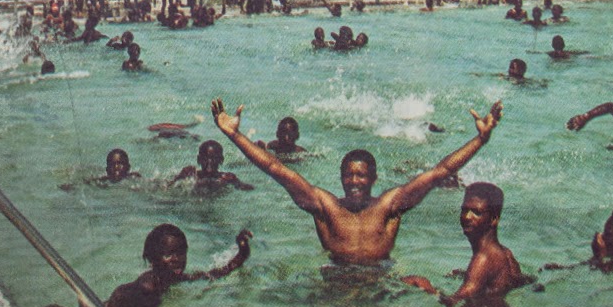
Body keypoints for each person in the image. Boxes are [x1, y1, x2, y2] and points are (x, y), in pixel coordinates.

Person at [210, 98, 503, 266]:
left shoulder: (391, 205)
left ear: (374, 178)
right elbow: (275, 168)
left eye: (361, 174)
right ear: (340, 177)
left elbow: (440, 171)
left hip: (379, 282)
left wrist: (480, 140)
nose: (354, 181)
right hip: (335, 282)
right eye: (348, 174)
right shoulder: (324, 205)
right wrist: (233, 135)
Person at [40, 224, 251, 307]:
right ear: (151, 258)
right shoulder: (147, 287)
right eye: (168, 254)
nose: (176, 260)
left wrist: (241, 252)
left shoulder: (172, 278)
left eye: (181, 252)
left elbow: (214, 274)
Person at [401, 182, 533, 307]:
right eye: (464, 210)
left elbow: (452, 302)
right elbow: (517, 281)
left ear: (494, 219)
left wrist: (426, 287)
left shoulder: (483, 259)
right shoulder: (505, 252)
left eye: (477, 212)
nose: (467, 217)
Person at [169, 140, 255, 191]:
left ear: (221, 160)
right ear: (199, 160)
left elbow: (249, 188)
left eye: (214, 158)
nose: (209, 162)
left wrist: (235, 181)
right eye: (205, 158)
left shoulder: (226, 178)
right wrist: (179, 177)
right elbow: (166, 187)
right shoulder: (191, 176)